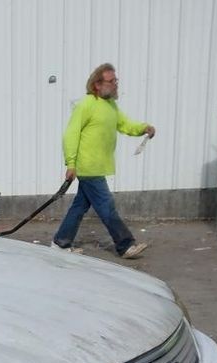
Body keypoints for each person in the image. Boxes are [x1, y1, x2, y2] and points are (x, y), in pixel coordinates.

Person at [52, 63, 155, 259]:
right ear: (97, 84)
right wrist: (71, 163)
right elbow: (70, 135)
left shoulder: (110, 106)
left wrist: (143, 128)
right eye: (111, 81)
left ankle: (60, 242)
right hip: (88, 166)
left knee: (79, 206)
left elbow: (125, 125)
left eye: (116, 81)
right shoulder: (87, 104)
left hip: (99, 166)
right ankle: (125, 245)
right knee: (106, 206)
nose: (115, 85)